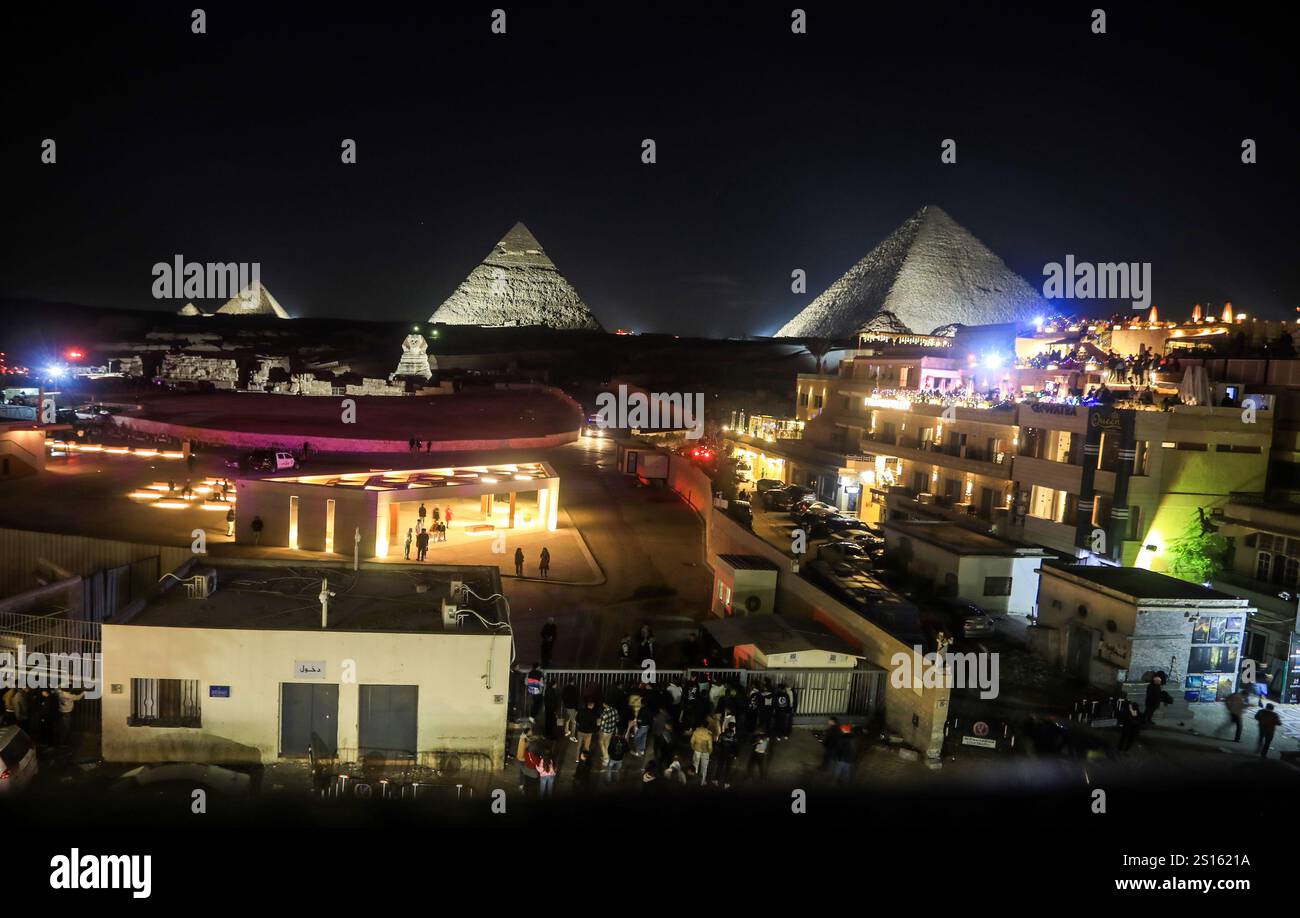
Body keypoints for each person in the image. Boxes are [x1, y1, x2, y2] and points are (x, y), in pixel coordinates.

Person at [714, 722, 739, 788]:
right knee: (728, 768)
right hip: (730, 754)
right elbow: (736, 746)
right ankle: (726, 783)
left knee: (720, 767)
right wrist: (736, 754)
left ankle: (716, 780)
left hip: (722, 753)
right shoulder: (734, 735)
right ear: (733, 727)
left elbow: (718, 743)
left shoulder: (722, 734)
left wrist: (718, 751)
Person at [597, 700, 620, 766]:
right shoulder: (615, 710)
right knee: (607, 743)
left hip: (604, 731)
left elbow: (601, 724)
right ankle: (606, 755)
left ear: (605, 704)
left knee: (601, 742)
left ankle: (606, 758)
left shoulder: (605, 713)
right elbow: (617, 719)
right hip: (611, 730)